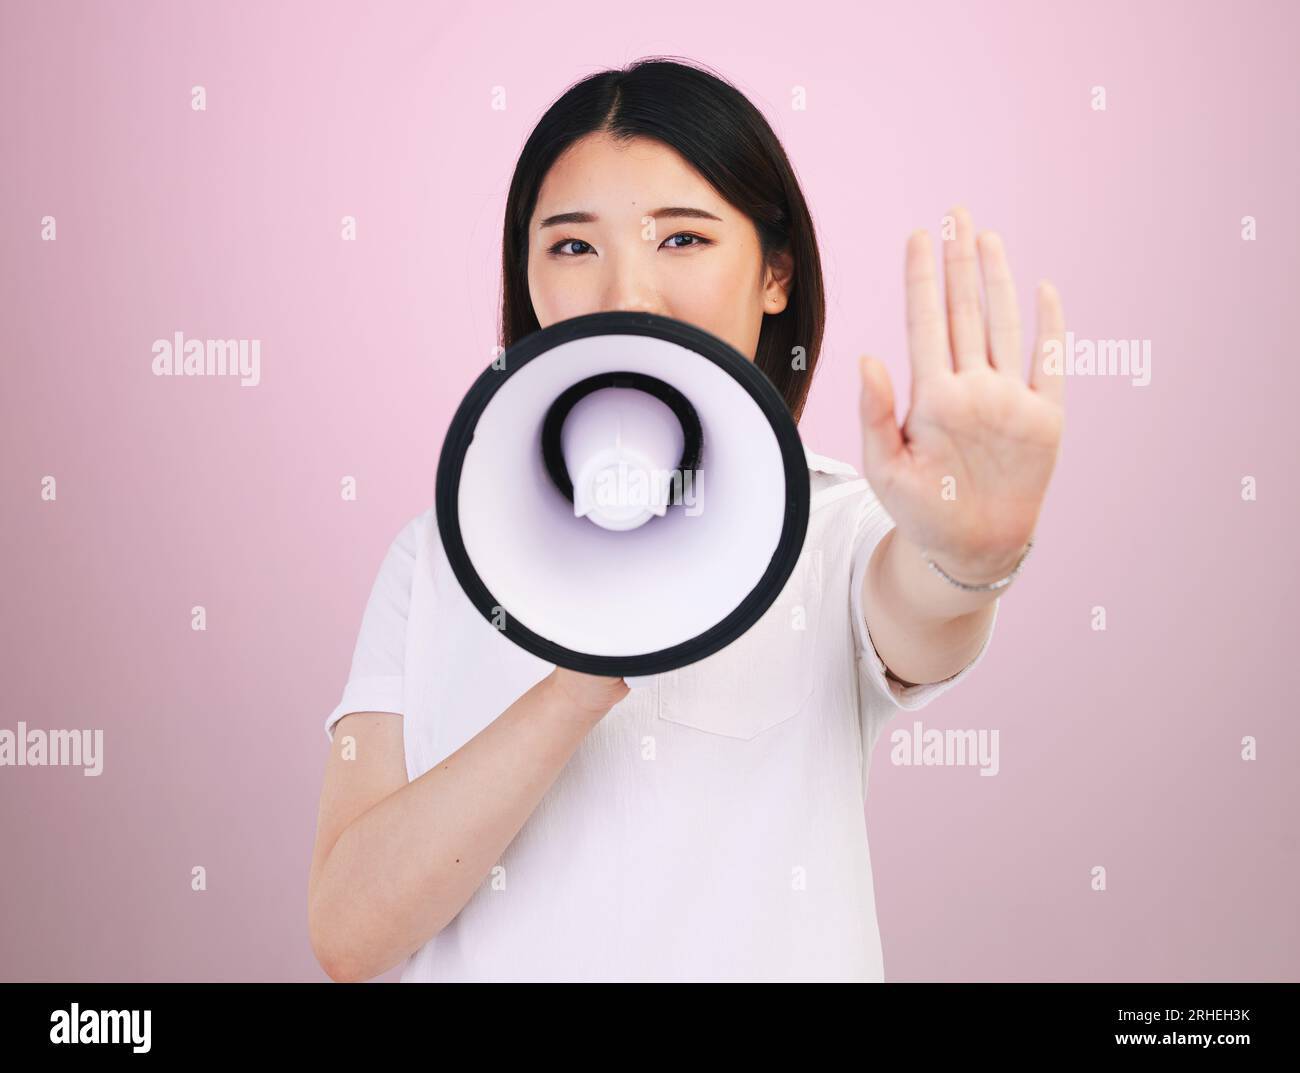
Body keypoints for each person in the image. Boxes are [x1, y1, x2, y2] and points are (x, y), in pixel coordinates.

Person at [307, 56, 1065, 983]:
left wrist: (967, 552)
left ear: (776, 273)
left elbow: (922, 611)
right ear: (529, 279)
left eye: (683, 240)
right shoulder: (433, 557)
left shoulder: (835, 530)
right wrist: (580, 672)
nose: (628, 295)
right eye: (574, 246)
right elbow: (349, 933)